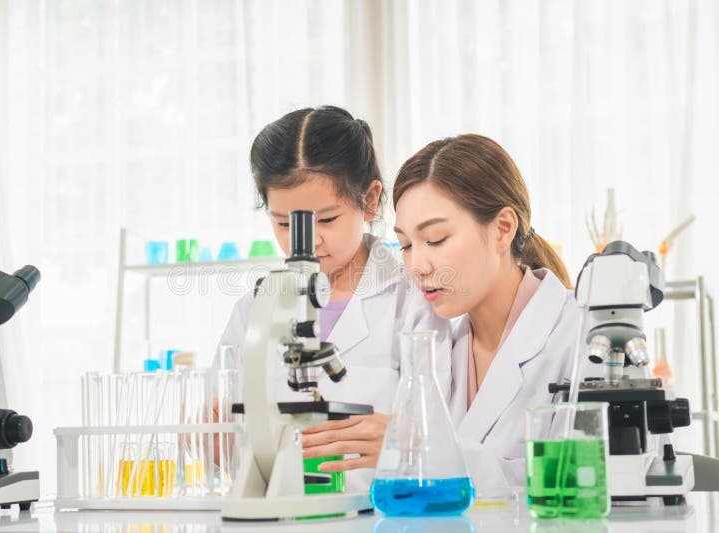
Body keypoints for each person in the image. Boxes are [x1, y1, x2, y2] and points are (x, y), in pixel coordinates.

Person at [217, 106, 452, 490]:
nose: (306, 241)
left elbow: (441, 432)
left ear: (371, 200)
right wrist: (215, 442)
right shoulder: (254, 309)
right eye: (283, 223)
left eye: (325, 220)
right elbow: (223, 434)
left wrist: (403, 442)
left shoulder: (410, 302)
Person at [392, 133, 594, 487]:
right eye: (406, 245)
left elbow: (585, 484)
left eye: (436, 239)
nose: (417, 265)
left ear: (503, 229)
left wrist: (430, 451)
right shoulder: (440, 350)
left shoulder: (582, 338)